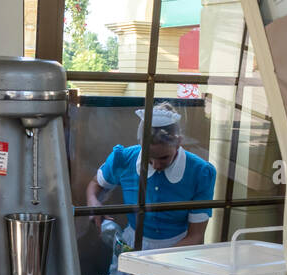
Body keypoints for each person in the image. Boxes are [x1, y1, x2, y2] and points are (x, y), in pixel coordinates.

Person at [86, 102, 216, 251]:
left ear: (179, 142)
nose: (155, 165)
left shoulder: (200, 173)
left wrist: (154, 261)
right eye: (149, 158)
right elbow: (95, 183)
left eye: (164, 158)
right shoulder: (124, 159)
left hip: (178, 249)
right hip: (132, 244)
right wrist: (93, 202)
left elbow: (196, 235)